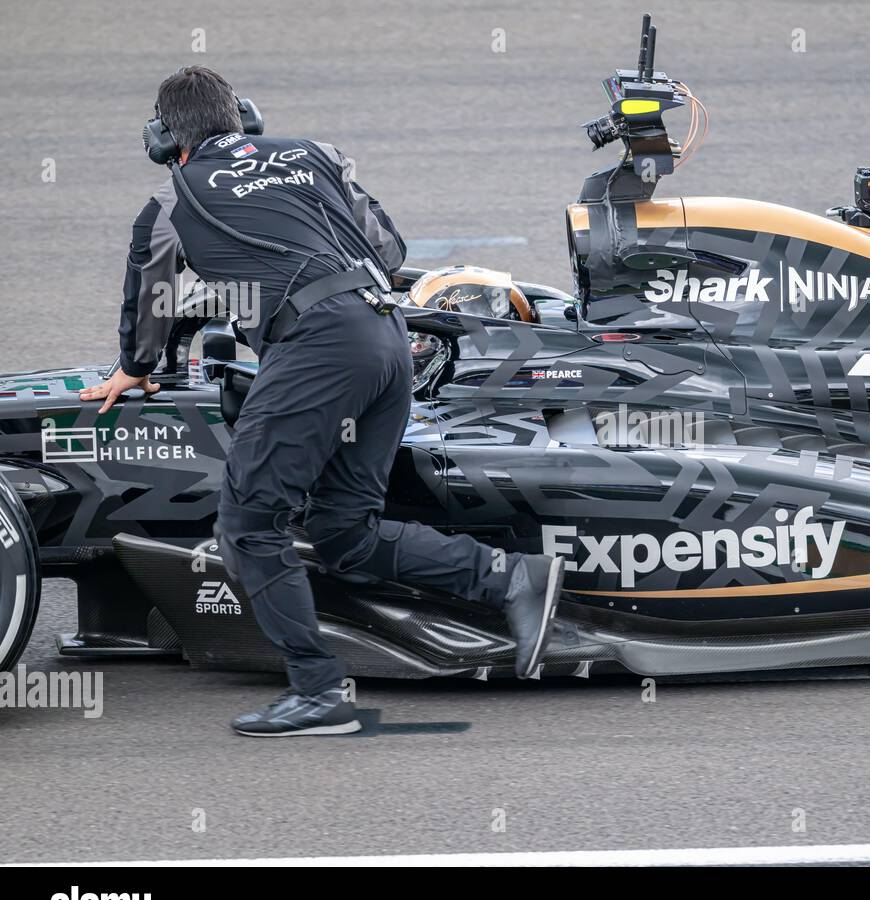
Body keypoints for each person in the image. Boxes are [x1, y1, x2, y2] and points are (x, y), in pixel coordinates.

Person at [79, 66, 564, 737]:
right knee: (343, 531)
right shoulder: (317, 154)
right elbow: (389, 248)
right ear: (242, 115)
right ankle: (510, 580)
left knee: (249, 523)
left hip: (318, 348)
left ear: (166, 140)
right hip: (389, 338)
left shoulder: (170, 200)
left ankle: (318, 691)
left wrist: (134, 368)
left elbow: (147, 299)